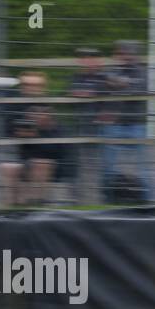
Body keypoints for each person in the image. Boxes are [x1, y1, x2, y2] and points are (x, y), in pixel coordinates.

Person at [100, 40, 155, 203]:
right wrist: (120, 85)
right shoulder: (111, 70)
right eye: (119, 52)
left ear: (133, 54)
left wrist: (118, 85)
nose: (121, 56)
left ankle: (150, 200)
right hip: (114, 124)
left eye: (124, 52)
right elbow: (103, 89)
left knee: (143, 166)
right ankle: (108, 200)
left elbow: (139, 92)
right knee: (108, 165)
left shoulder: (142, 72)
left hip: (136, 124)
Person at [0, 71, 65, 207]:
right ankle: (11, 211)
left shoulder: (49, 107)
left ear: (43, 87)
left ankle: (35, 207)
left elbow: (58, 145)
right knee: (8, 167)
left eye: (36, 85)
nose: (31, 87)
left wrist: (40, 132)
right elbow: (8, 130)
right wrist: (19, 133)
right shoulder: (14, 106)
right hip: (24, 158)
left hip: (50, 158)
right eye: (26, 84)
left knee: (40, 163)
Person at [67, 47, 106, 202]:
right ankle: (78, 200)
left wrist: (86, 93)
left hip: (100, 128)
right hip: (79, 127)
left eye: (91, 58)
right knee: (77, 166)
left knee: (99, 166)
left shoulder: (104, 77)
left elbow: (106, 95)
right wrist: (89, 94)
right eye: (84, 58)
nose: (88, 61)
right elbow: (71, 92)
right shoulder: (76, 77)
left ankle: (101, 199)